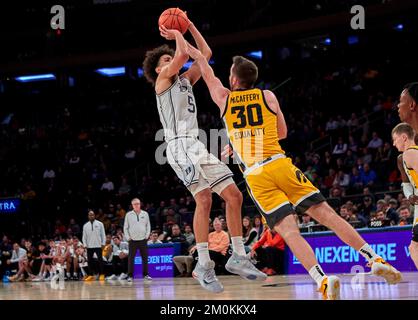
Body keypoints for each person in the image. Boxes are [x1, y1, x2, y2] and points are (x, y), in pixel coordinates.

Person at [186, 44, 402, 299]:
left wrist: (182, 30)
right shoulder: (268, 96)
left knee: (289, 231)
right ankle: (374, 258)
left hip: (256, 175)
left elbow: (201, 59)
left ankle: (322, 279)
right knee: (329, 217)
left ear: (233, 79)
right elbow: (282, 133)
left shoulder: (224, 97)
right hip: (279, 163)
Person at [142, 19, 266, 293]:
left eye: (171, 55)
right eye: (167, 58)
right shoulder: (163, 80)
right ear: (159, 67)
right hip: (177, 145)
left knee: (234, 195)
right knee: (204, 198)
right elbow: (184, 54)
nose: (173, 58)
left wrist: (189, 25)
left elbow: (205, 53)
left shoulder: (185, 80)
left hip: (196, 144)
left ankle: (238, 256)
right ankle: (204, 263)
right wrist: (176, 34)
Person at [392, 122, 418, 269]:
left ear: (404, 137)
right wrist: (410, 196)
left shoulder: (410, 153)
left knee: (414, 248)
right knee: (414, 247)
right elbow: (407, 184)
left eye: (395, 139)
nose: (394, 144)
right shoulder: (403, 157)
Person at [124, 198, 151, 282]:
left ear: (140, 204)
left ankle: (146, 274)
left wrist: (147, 236)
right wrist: (128, 237)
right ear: (132, 205)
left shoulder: (145, 214)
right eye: (135, 204)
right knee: (131, 259)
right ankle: (130, 276)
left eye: (138, 203)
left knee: (145, 258)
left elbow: (148, 226)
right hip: (132, 240)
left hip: (143, 239)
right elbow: (125, 227)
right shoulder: (128, 215)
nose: (137, 205)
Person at [82, 210, 106, 281]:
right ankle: (90, 275)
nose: (91, 216)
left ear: (94, 215)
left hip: (98, 245)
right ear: (88, 216)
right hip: (89, 246)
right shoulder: (85, 225)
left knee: (100, 260)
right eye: (90, 215)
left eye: (92, 215)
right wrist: (85, 244)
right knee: (90, 261)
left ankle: (102, 274)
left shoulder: (100, 224)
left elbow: (103, 234)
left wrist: (103, 243)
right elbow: (84, 236)